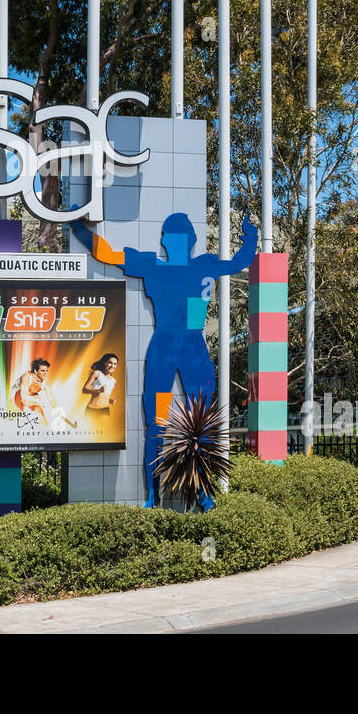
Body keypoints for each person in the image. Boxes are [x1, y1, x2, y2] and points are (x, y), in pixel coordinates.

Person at [72, 212, 258, 507]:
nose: (177, 243)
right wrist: (251, 236)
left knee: (192, 424)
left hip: (181, 352)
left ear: (179, 241)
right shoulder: (178, 265)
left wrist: (76, 226)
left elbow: (105, 253)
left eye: (178, 238)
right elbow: (239, 261)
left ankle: (192, 492)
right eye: (174, 238)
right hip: (178, 351)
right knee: (164, 424)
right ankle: (158, 494)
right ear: (173, 242)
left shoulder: (169, 265)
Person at [12, 358, 76, 429]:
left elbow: (52, 400)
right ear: (36, 371)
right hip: (16, 395)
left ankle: (44, 429)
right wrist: (39, 401)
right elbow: (23, 396)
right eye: (42, 371)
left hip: (30, 395)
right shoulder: (27, 377)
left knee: (38, 410)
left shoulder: (45, 384)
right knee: (15, 418)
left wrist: (58, 411)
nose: (45, 373)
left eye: (46, 371)